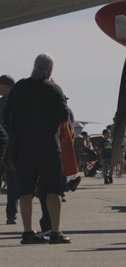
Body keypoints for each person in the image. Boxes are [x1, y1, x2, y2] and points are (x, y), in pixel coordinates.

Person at [3, 54, 71, 244]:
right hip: (48, 147)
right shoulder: (53, 89)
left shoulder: (19, 88)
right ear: (49, 71)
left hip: (24, 149)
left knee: (25, 191)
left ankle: (27, 232)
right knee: (53, 191)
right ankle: (56, 232)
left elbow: (6, 115)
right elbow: (63, 115)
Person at [0, 73, 16, 224]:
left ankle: (12, 214)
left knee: (12, 183)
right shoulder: (21, 102)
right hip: (10, 148)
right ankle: (11, 215)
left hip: (8, 149)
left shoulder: (17, 102)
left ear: (6, 86)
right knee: (12, 183)